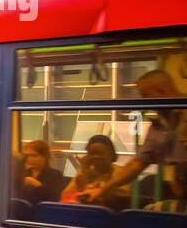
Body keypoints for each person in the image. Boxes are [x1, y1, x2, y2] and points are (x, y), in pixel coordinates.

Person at [86, 69, 185, 205]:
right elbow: (136, 164)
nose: (144, 102)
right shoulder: (159, 125)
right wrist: (104, 188)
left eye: (145, 96)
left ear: (162, 91)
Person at [62, 134, 126, 207]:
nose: (96, 157)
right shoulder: (84, 171)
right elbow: (65, 195)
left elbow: (121, 199)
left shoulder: (121, 172)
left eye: (100, 153)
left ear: (111, 154)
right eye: (92, 154)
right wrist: (84, 171)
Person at [17, 139, 65, 205]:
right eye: (27, 156)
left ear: (45, 157)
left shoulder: (55, 175)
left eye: (34, 156)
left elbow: (55, 199)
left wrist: (36, 184)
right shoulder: (21, 173)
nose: (29, 158)